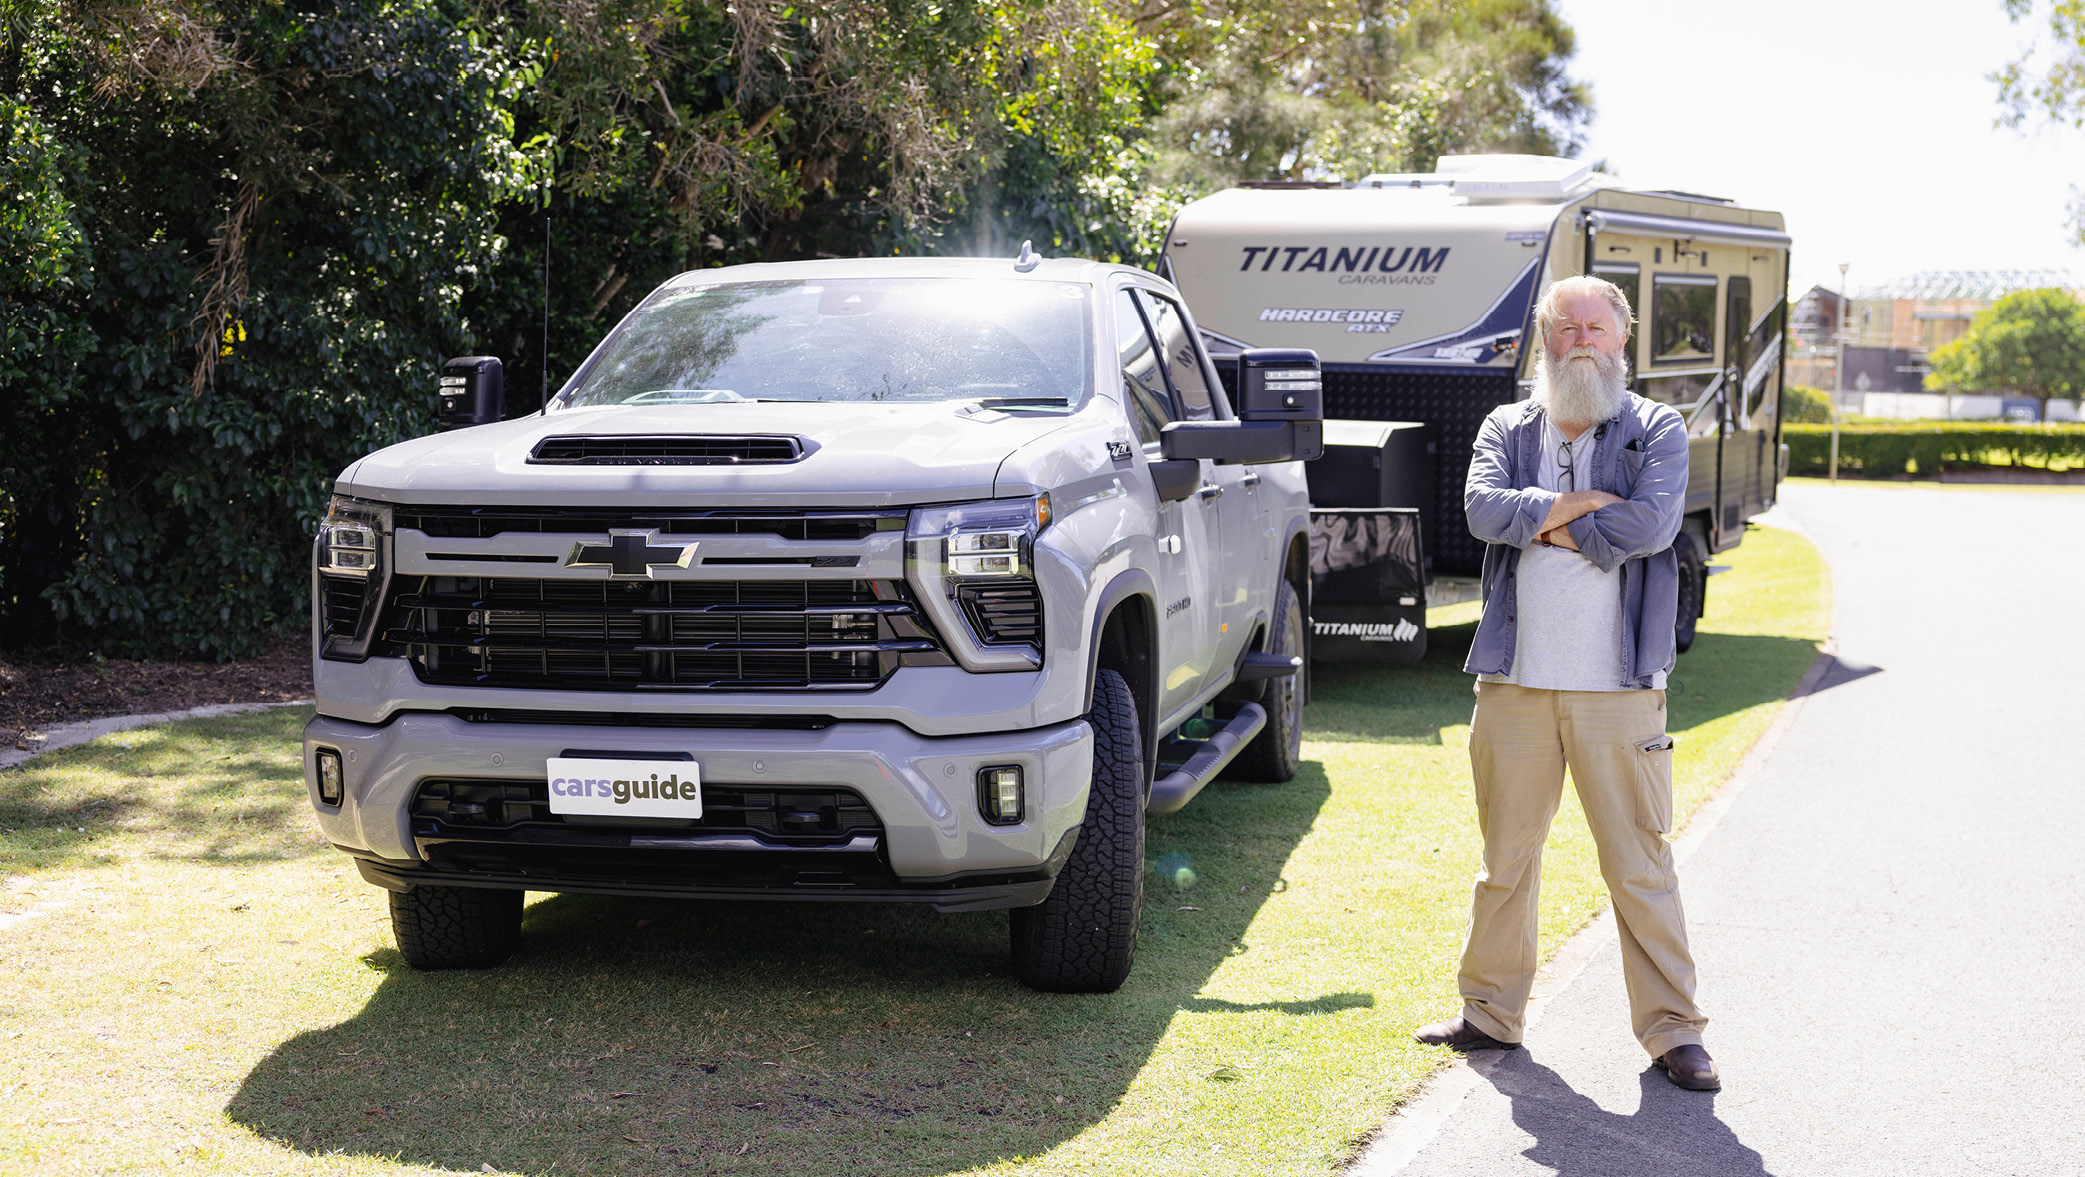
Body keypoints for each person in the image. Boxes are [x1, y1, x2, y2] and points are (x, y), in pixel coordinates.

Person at [1411, 274, 1718, 1092]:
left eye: (1595, 326)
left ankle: (1674, 1031)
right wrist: (1582, 504)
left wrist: (1539, 521)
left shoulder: (1655, 425)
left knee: (1639, 865)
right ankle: (1489, 1012)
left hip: (1618, 688)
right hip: (1513, 681)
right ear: (1543, 340)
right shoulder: (1506, 425)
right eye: (1565, 326)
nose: (1580, 339)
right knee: (1503, 861)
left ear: (1621, 338)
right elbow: (1480, 511)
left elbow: (1650, 524)